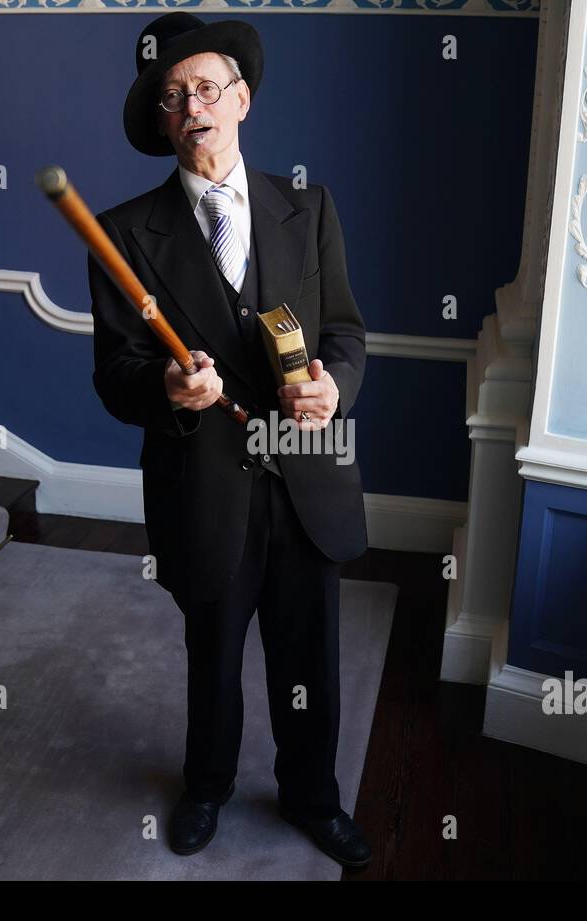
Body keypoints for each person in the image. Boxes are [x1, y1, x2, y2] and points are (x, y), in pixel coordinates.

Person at [87, 12, 372, 869]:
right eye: (173, 97)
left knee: (308, 655)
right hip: (203, 485)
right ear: (163, 121)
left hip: (307, 476)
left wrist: (333, 385)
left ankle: (313, 798)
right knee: (210, 658)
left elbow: (349, 334)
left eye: (206, 87)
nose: (192, 105)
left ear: (240, 98)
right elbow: (116, 375)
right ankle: (206, 785)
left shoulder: (308, 206)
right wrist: (171, 389)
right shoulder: (122, 237)